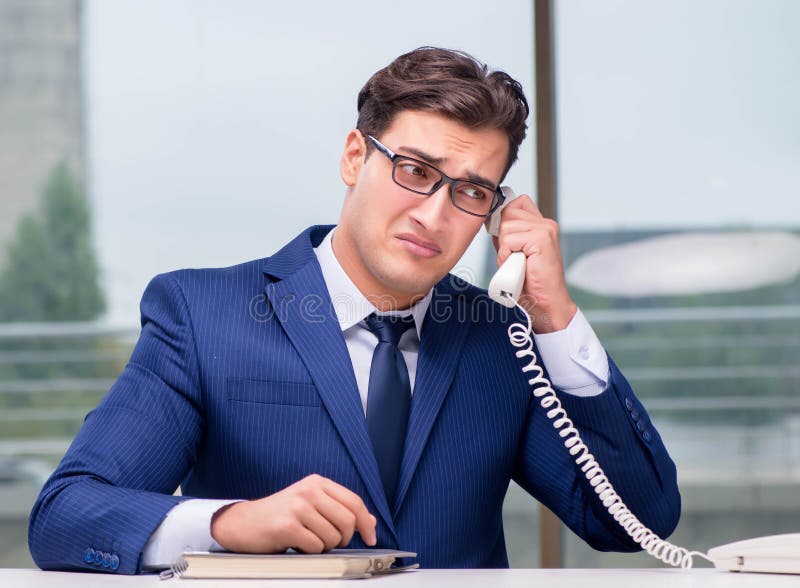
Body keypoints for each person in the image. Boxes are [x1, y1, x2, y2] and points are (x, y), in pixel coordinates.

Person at [28, 47, 680, 575]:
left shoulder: (501, 340)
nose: (434, 215)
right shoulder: (201, 316)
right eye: (416, 171)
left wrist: (557, 318)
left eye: (471, 191)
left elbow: (638, 521)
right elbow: (66, 515)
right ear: (353, 157)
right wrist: (227, 525)